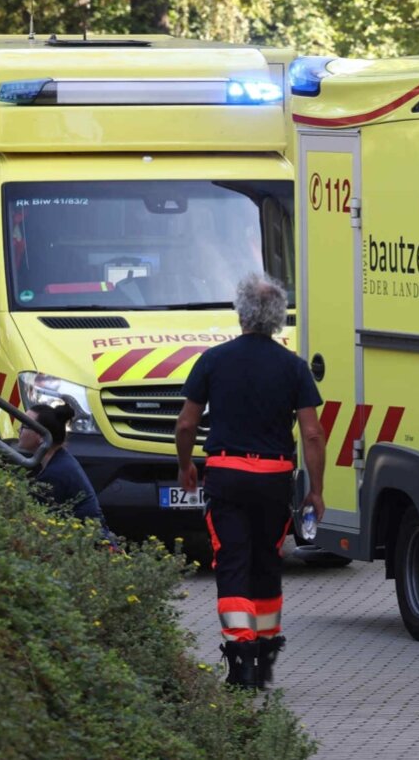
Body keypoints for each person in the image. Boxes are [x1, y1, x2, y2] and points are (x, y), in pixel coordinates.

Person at [174, 273, 326, 690]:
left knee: (233, 562)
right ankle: (265, 655)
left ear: (241, 312)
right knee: (266, 562)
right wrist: (316, 489)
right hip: (274, 478)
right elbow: (312, 433)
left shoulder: (213, 361)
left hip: (226, 475)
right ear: (278, 319)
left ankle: (240, 660)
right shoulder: (293, 367)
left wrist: (185, 464)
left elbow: (187, 423)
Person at [18, 404, 111, 536]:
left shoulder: (56, 473)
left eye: (24, 426)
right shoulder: (59, 460)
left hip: (87, 545)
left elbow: (33, 521)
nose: (19, 430)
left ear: (41, 436)